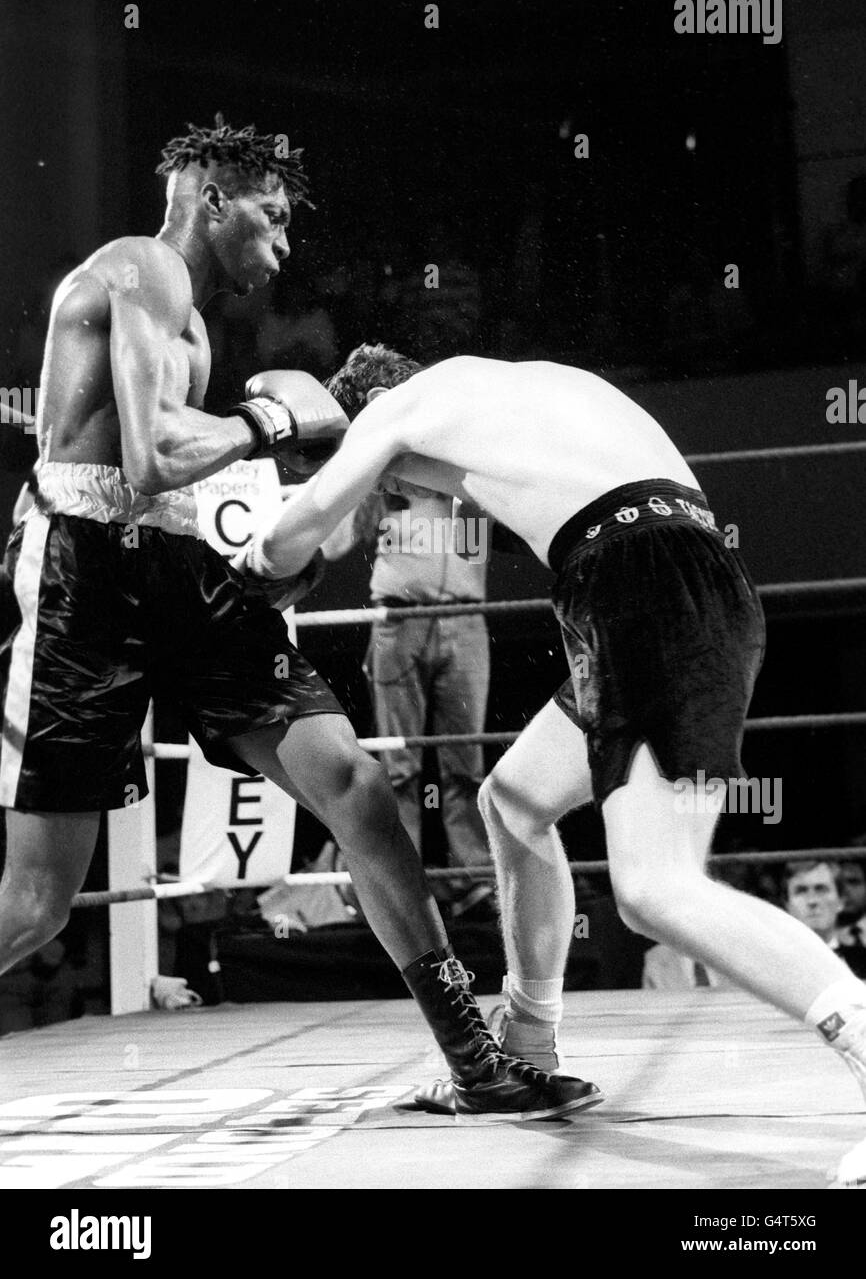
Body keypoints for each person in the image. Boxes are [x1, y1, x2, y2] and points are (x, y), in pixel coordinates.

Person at [0, 118, 598, 1124]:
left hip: (180, 566)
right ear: (210, 195)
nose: (282, 249)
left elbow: (180, 468)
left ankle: (474, 1057)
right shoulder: (140, 270)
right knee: (35, 904)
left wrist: (253, 448)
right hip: (82, 576)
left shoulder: (191, 322)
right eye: (271, 220)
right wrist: (273, 422)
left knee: (360, 788)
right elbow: (146, 459)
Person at [243, 345, 866, 1185]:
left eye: (387, 478)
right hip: (655, 582)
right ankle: (528, 1048)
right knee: (515, 800)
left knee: (654, 890)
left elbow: (293, 534)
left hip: (642, 587)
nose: (398, 493)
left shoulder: (400, 407)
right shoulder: (509, 389)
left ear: (370, 407)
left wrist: (238, 576)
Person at [320, 377, 494, 917]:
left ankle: (474, 880)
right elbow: (331, 542)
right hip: (398, 623)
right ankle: (406, 886)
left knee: (466, 762)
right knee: (400, 767)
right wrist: (365, 471)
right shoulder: (378, 473)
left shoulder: (460, 467)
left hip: (464, 621)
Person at [784, 861, 866, 980]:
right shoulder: (775, 965)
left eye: (821, 889)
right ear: (788, 905)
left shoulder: (862, 960)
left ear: (841, 901)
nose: (812, 901)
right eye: (801, 891)